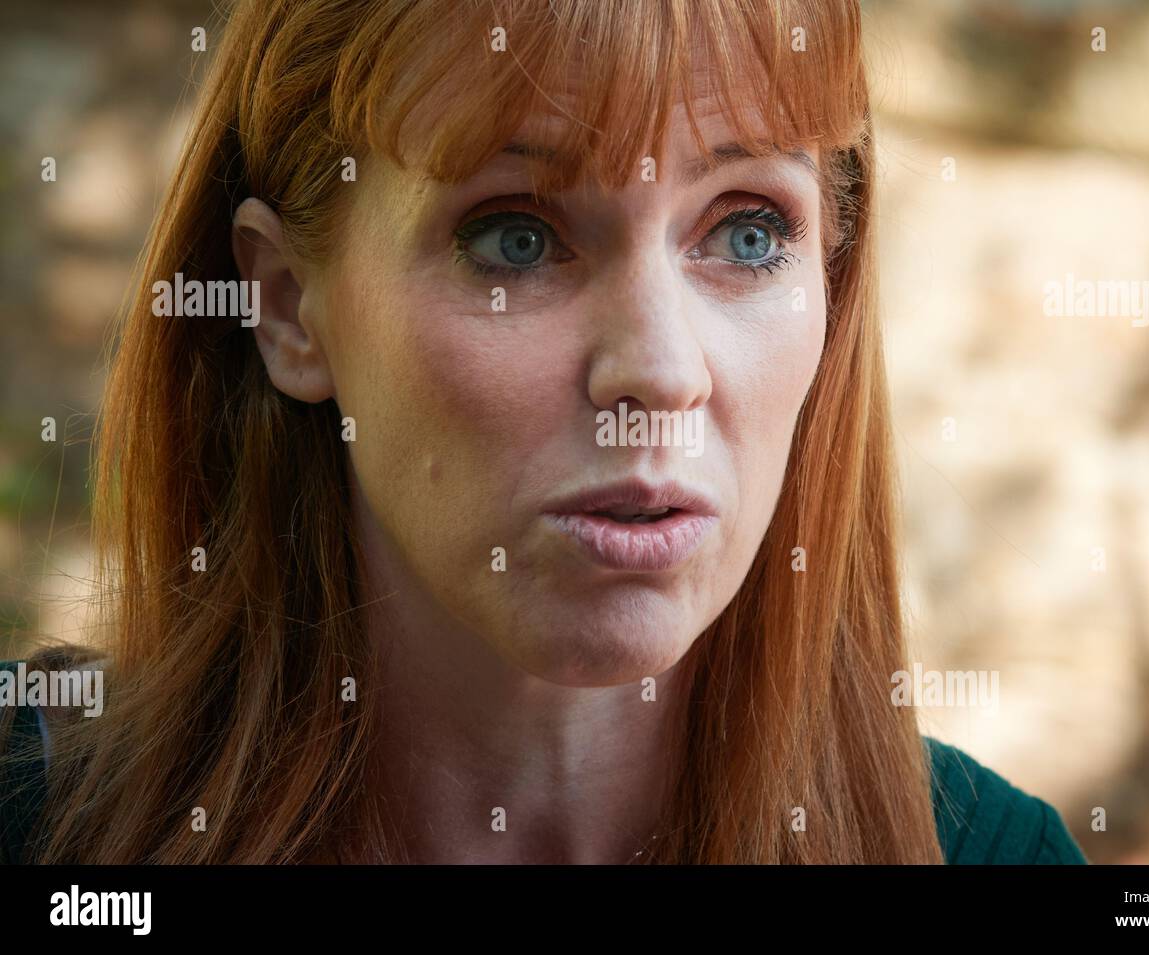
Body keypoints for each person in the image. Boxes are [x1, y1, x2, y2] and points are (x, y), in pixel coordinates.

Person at [0, 0, 1086, 865]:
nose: (658, 371)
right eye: (517, 239)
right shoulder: (34, 823)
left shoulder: (988, 853)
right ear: (288, 306)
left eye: (747, 231)